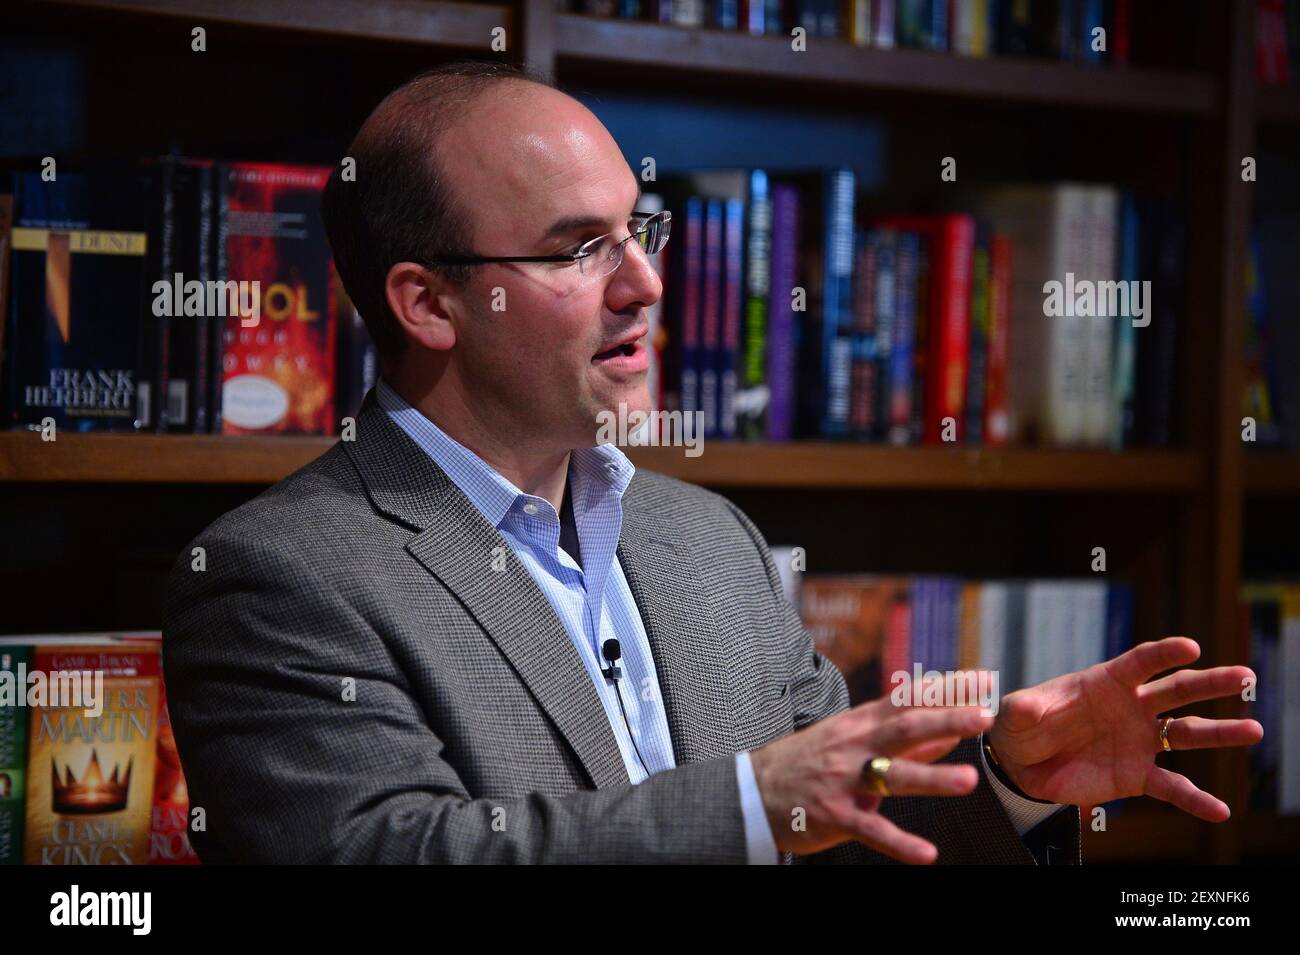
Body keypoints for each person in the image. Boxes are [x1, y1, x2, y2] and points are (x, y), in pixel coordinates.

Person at [163, 61, 1262, 864]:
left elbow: (838, 832)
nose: (644, 284)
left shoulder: (706, 538)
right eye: (580, 248)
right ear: (427, 301)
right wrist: (750, 801)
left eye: (641, 233)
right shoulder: (277, 576)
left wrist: (1011, 780)